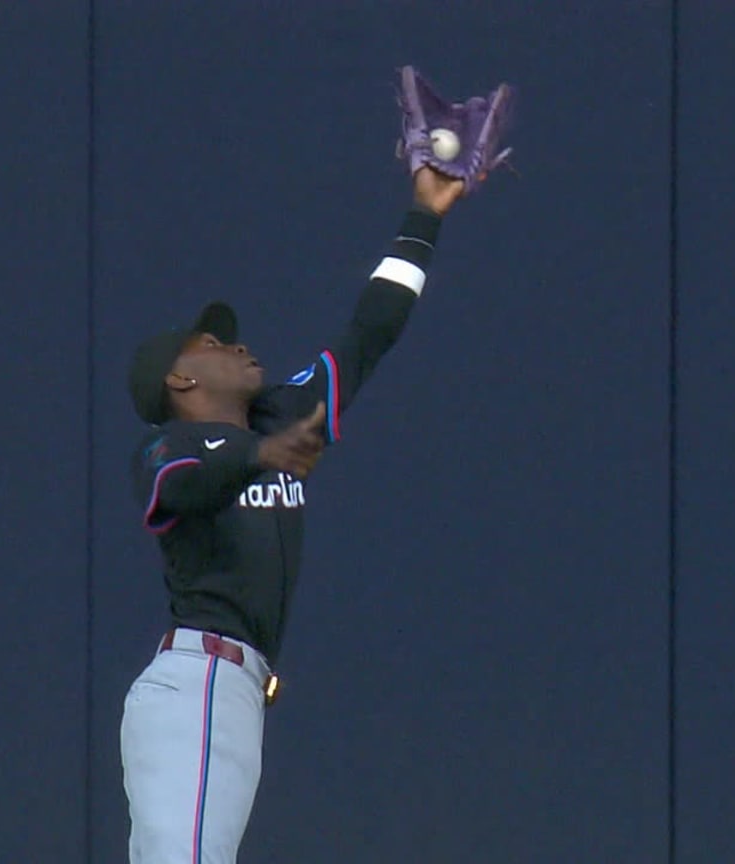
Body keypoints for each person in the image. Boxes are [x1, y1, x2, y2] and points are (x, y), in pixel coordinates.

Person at [120, 165, 468, 863]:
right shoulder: (174, 444)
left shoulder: (276, 418)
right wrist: (260, 457)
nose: (238, 344)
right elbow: (178, 486)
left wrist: (424, 217)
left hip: (237, 693)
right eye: (212, 344)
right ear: (180, 379)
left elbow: (368, 332)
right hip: (196, 681)